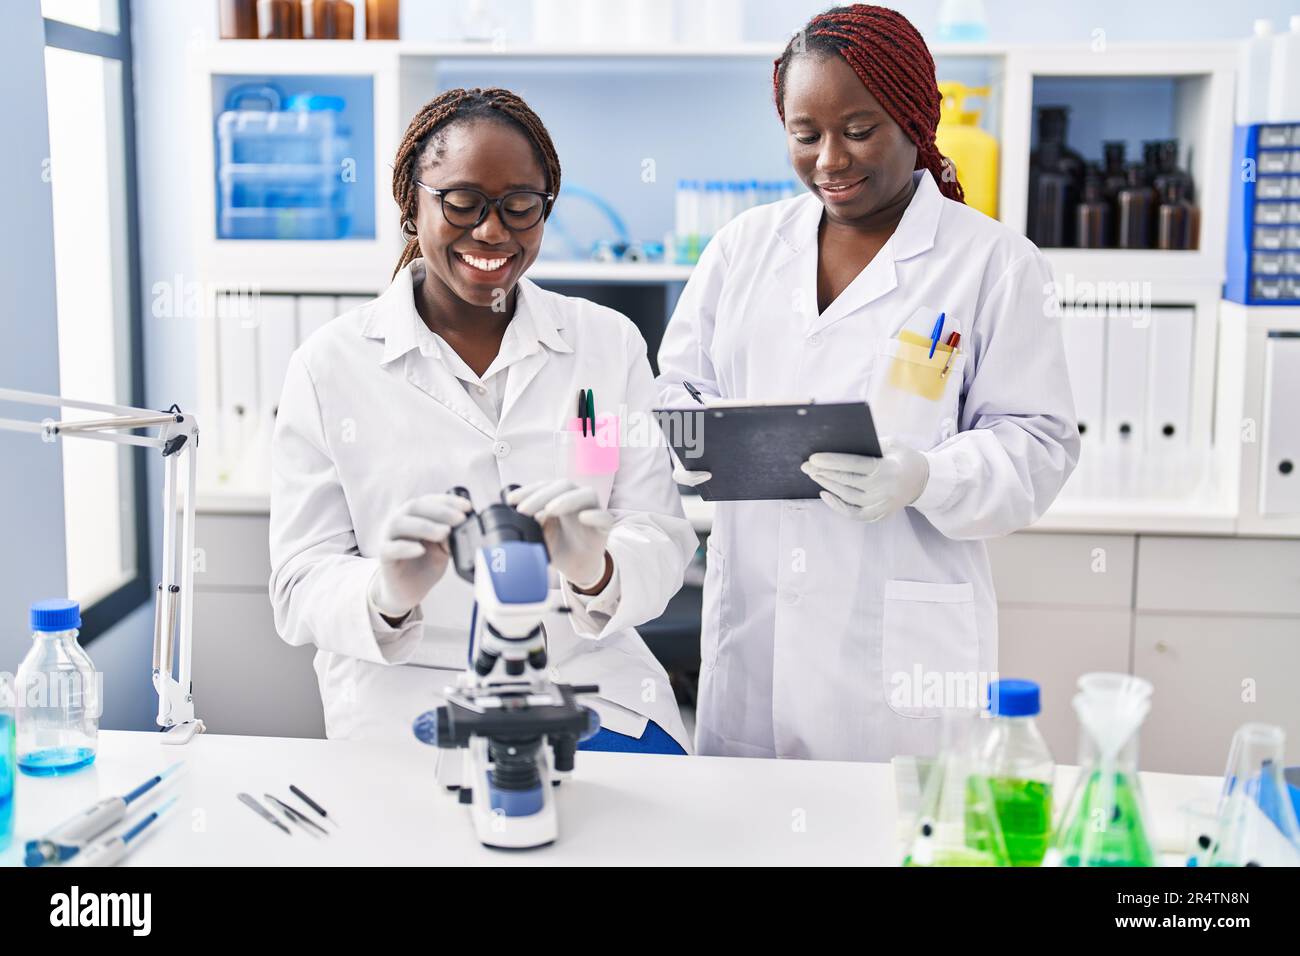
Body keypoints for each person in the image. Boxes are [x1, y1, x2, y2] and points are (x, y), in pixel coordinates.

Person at [656, 5, 1080, 762]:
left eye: (859, 130)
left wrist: (922, 475)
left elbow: (1040, 446)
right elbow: (676, 388)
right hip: (755, 626)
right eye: (805, 133)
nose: (830, 160)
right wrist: (696, 438)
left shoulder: (993, 263)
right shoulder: (744, 248)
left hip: (898, 645)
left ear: (916, 120)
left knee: (892, 833)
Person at [270, 88, 694, 754]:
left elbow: (661, 533)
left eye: (520, 206)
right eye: (462, 202)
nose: (493, 231)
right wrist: (384, 591)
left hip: (588, 687)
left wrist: (600, 568)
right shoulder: (330, 365)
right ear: (414, 203)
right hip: (408, 696)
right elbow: (298, 583)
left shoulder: (606, 345)